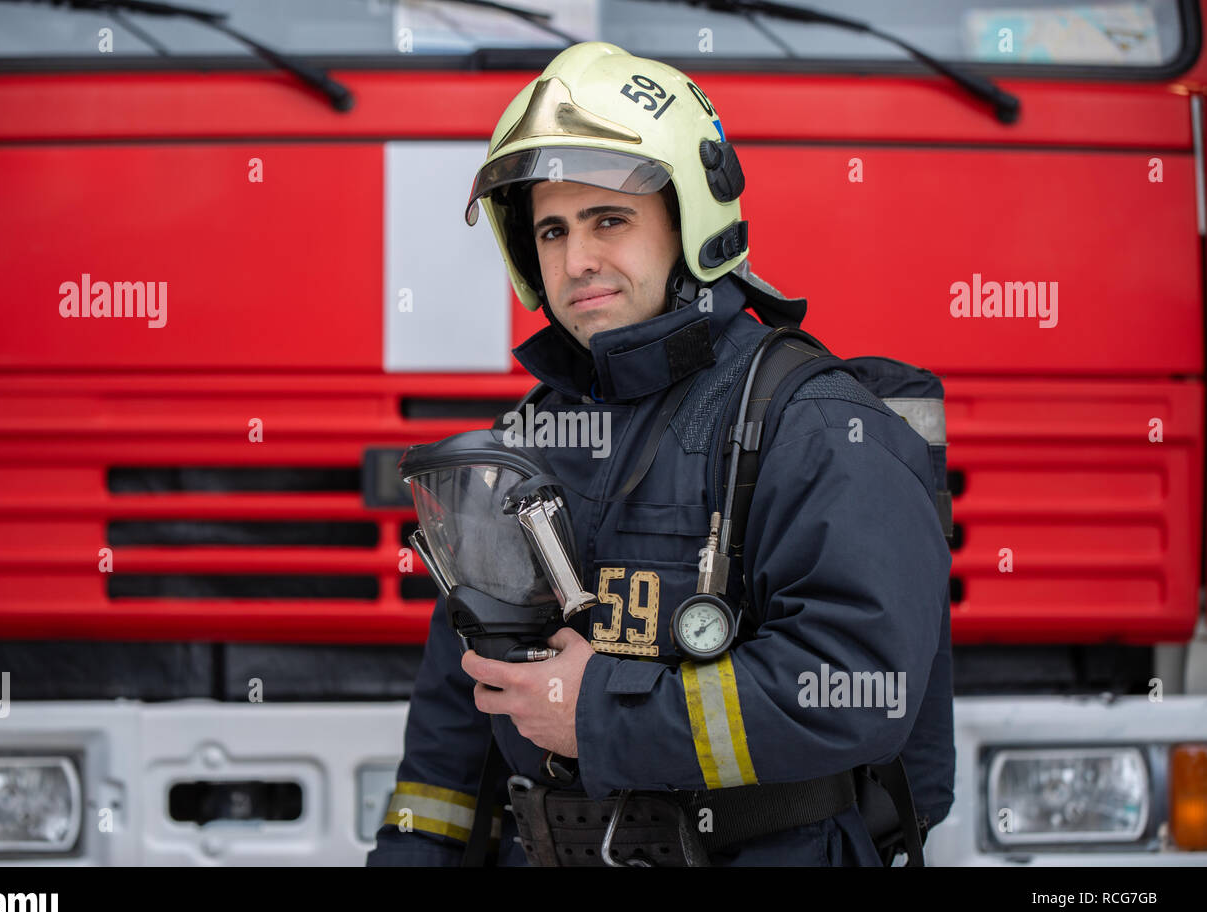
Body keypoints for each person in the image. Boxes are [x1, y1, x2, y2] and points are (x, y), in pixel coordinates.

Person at [367, 40, 952, 867]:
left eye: (610, 220)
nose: (578, 262)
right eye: (553, 231)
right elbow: (455, 719)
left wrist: (597, 713)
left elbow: (859, 688)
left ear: (691, 224)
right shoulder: (529, 440)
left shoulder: (813, 423)